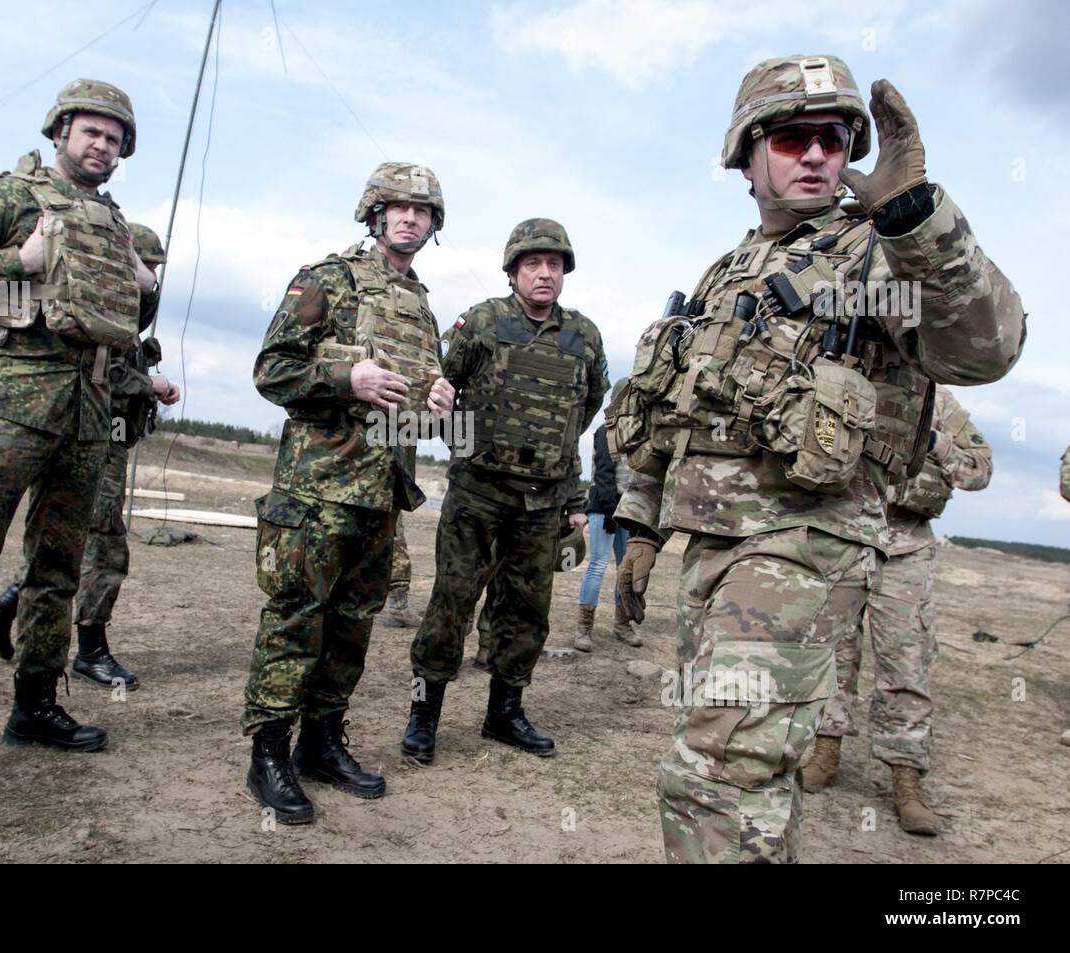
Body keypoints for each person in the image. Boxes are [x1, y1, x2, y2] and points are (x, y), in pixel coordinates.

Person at [608, 55, 1025, 862]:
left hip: (807, 540)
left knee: (718, 773)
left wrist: (915, 214)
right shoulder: (728, 273)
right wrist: (640, 523)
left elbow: (988, 345)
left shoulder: (877, 252)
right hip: (715, 547)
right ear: (746, 155)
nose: (816, 155)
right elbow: (675, 410)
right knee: (756, 770)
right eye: (792, 137)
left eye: (832, 140)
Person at [0, 79, 159, 796]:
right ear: (60, 131)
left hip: (85, 418)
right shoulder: (3, 199)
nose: (102, 147)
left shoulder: (114, 223)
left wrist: (146, 287)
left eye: (115, 140)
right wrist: (15, 263)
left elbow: (119, 323)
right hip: (2, 412)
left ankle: (36, 705)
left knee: (57, 573)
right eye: (91, 132)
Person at [242, 162, 455, 824]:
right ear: (374, 212)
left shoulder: (421, 306)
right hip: (317, 489)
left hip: (381, 493)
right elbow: (271, 370)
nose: (411, 218)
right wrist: (345, 375)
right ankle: (269, 754)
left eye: (423, 211)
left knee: (352, 627)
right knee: (295, 618)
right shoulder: (327, 278)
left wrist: (439, 401)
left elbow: (413, 410)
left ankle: (323, 742)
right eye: (399, 207)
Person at [403, 218, 608, 762]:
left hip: (541, 503)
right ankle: (424, 714)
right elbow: (439, 385)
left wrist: (570, 497)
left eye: (555, 265)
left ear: (564, 272)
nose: (545, 274)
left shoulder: (583, 336)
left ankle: (505, 713)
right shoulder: (482, 322)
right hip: (478, 495)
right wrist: (458, 434)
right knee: (451, 604)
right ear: (513, 271)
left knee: (526, 610)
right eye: (533, 264)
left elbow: (582, 412)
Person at [0, 225, 181, 690]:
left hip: (105, 437)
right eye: (148, 269)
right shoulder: (97, 305)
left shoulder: (121, 313)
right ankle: (90, 650)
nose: (152, 279)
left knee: (68, 541)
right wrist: (148, 384)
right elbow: (99, 370)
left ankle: (4, 611)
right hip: (93, 436)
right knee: (104, 545)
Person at [801, 387, 991, 836]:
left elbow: (979, 472)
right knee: (832, 657)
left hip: (906, 548)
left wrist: (934, 442)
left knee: (906, 664)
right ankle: (824, 754)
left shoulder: (937, 401)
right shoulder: (848, 380)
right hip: (843, 537)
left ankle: (906, 780)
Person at [574, 393, 643, 653]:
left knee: (626, 571)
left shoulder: (639, 433)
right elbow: (603, 475)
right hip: (606, 510)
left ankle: (621, 625)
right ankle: (584, 629)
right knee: (597, 566)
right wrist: (612, 512)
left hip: (629, 511)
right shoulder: (606, 432)